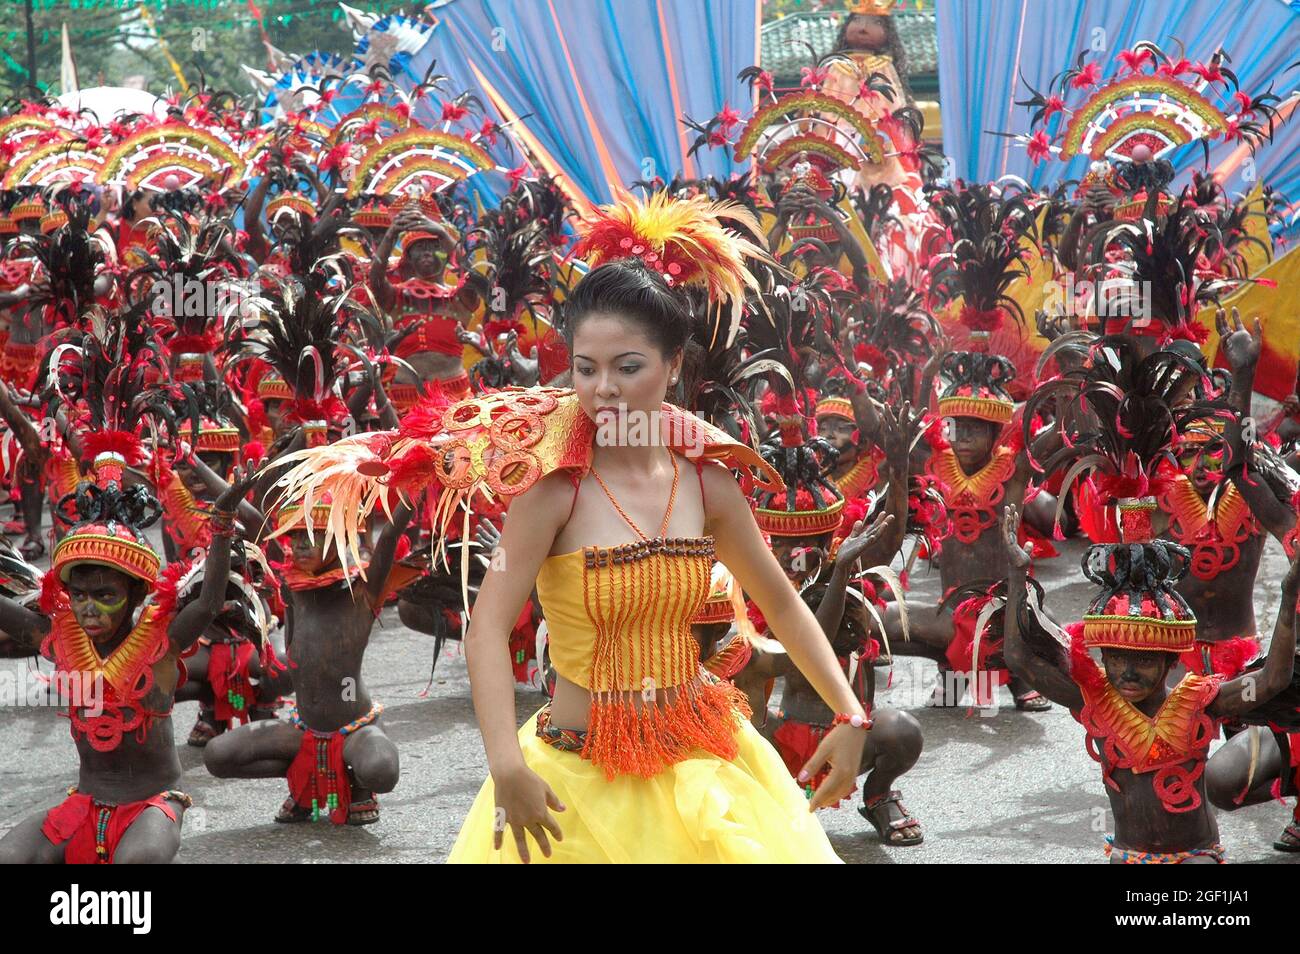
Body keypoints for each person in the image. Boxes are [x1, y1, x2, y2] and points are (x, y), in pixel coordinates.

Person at [1001, 504, 1299, 863]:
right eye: (1116, 658)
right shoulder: (1093, 702)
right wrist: (1017, 577)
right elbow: (1019, 659)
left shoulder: (1202, 702)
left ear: (1171, 661)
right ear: (1103, 658)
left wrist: (1288, 596)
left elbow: (1272, 680)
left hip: (1195, 857)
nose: (1127, 672)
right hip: (1127, 857)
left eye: (1143, 660)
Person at [0, 455, 253, 863]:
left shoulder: (161, 641)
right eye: (79, 596)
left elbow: (208, 604)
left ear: (136, 595)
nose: (89, 611)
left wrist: (222, 521)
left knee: (139, 860)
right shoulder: (60, 636)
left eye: (105, 596)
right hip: (85, 803)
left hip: (152, 805)